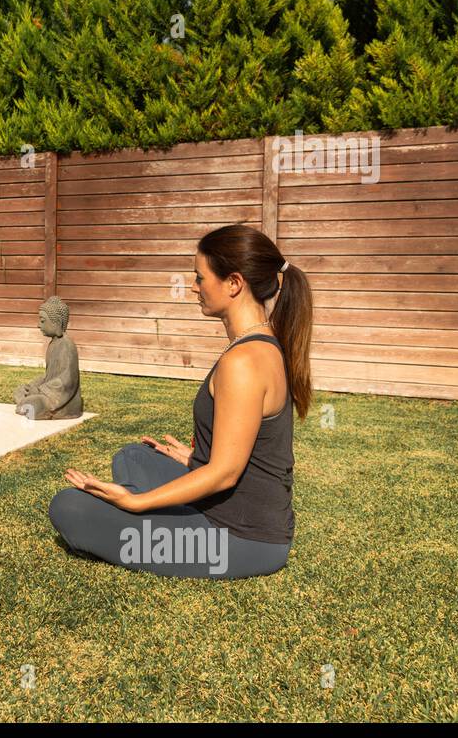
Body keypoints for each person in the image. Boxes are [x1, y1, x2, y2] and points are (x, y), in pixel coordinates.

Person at [49, 224, 313, 579]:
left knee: (69, 507)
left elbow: (225, 474)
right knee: (132, 456)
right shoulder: (259, 345)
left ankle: (143, 507)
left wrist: (136, 502)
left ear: (234, 283)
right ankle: (157, 507)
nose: (193, 287)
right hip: (240, 517)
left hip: (237, 541)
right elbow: (244, 455)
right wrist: (195, 459)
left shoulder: (244, 362)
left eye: (200, 278)